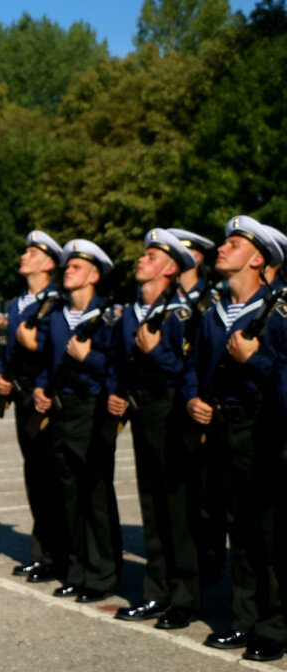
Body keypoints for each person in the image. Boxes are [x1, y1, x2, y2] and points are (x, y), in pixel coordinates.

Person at [183, 216, 285, 661]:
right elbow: (193, 368)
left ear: (258, 258)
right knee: (238, 530)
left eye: (233, 244)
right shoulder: (212, 311)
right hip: (221, 430)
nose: (222, 248)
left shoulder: (279, 312)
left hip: (263, 430)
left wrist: (257, 359)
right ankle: (244, 620)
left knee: (268, 532)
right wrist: (192, 400)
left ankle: (274, 626)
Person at [106, 230, 199, 628]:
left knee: (178, 509)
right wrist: (119, 396)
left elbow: (190, 372)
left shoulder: (183, 314)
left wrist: (154, 351)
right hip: (144, 414)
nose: (142, 260)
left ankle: (185, 597)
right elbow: (117, 363)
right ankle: (155, 591)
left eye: (151, 256)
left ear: (170, 268)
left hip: (173, 416)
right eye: (143, 254)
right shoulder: (130, 314)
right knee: (152, 505)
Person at [33, 239, 121, 604]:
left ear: (94, 275)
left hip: (94, 408)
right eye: (67, 266)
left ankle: (102, 574)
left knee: (95, 495)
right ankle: (76, 569)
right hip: (61, 410)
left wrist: (89, 359)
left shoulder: (110, 315)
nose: (67, 270)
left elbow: (118, 365)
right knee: (68, 494)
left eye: (76, 267)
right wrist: (40, 389)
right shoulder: (55, 317)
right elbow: (47, 363)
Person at [0, 230, 62, 583]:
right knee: (34, 476)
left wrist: (34, 344)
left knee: (50, 476)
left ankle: (55, 555)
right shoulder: (17, 303)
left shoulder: (55, 301)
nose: (25, 257)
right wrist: (0, 376)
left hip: (44, 398)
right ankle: (40, 552)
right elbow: (8, 350)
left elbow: (55, 348)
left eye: (33, 253)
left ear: (49, 263)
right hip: (21, 397)